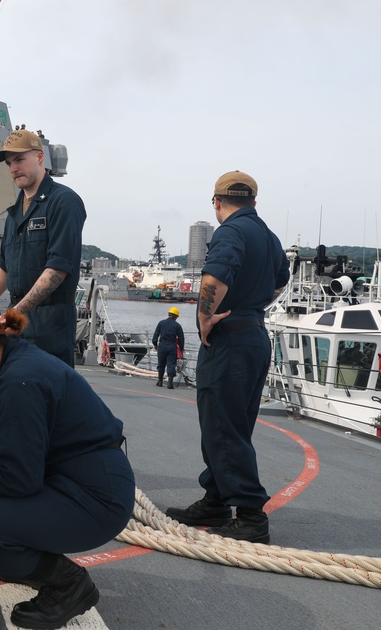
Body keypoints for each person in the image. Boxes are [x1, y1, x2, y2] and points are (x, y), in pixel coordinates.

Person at [0, 309, 135, 629]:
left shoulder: (19, 383)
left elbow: (19, 478)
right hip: (74, 475)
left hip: (97, 498)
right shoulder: (10, 365)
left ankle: (69, 585)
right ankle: (29, 558)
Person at [165, 171, 289, 544]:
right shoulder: (268, 236)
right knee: (234, 423)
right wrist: (250, 306)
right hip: (254, 335)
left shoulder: (230, 231)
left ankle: (250, 515)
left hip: (229, 341)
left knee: (222, 426)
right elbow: (279, 283)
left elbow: (213, 280)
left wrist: (205, 319)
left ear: (217, 203)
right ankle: (217, 499)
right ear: (253, 201)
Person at [0, 129, 86, 366]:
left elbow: (58, 269)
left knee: (47, 391)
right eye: (9, 163)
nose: (13, 168)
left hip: (50, 323)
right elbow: (4, 266)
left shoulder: (63, 201)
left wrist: (13, 314)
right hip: (15, 322)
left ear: (40, 158)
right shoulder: (14, 213)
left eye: (19, 159)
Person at [152, 306, 185, 389]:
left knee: (161, 364)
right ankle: (170, 383)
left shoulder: (161, 323)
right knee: (171, 364)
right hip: (172, 346)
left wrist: (155, 345)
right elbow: (181, 339)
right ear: (176, 316)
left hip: (162, 346)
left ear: (169, 314)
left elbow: (155, 336)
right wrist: (181, 348)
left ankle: (160, 381)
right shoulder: (177, 326)